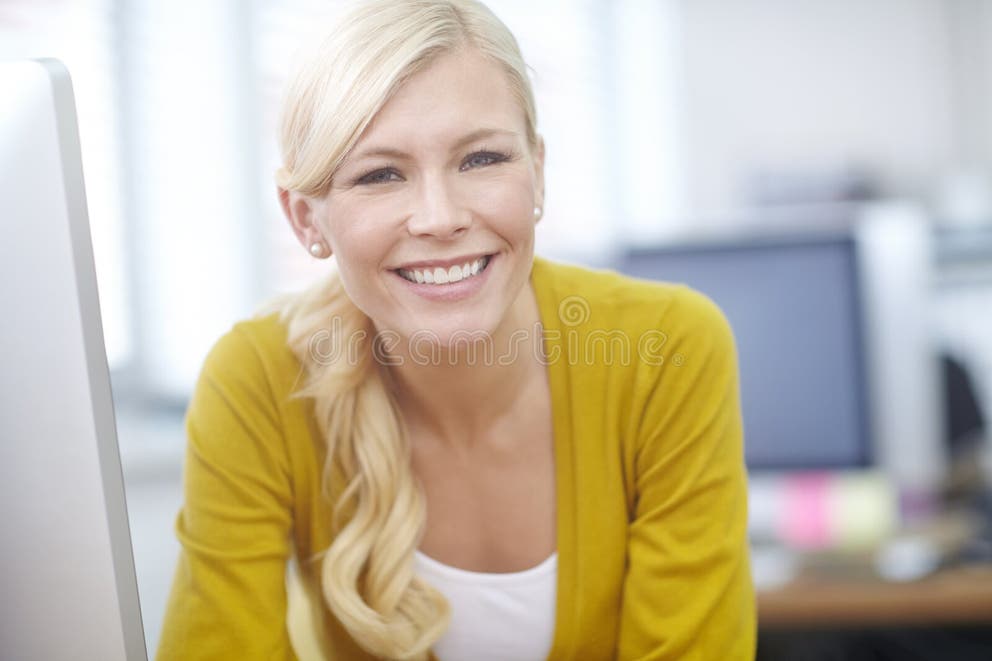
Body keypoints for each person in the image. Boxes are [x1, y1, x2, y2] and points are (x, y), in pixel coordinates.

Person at [156, 1, 755, 659]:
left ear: (538, 172)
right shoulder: (258, 382)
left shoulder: (665, 347)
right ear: (306, 220)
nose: (439, 218)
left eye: (481, 159)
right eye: (381, 174)